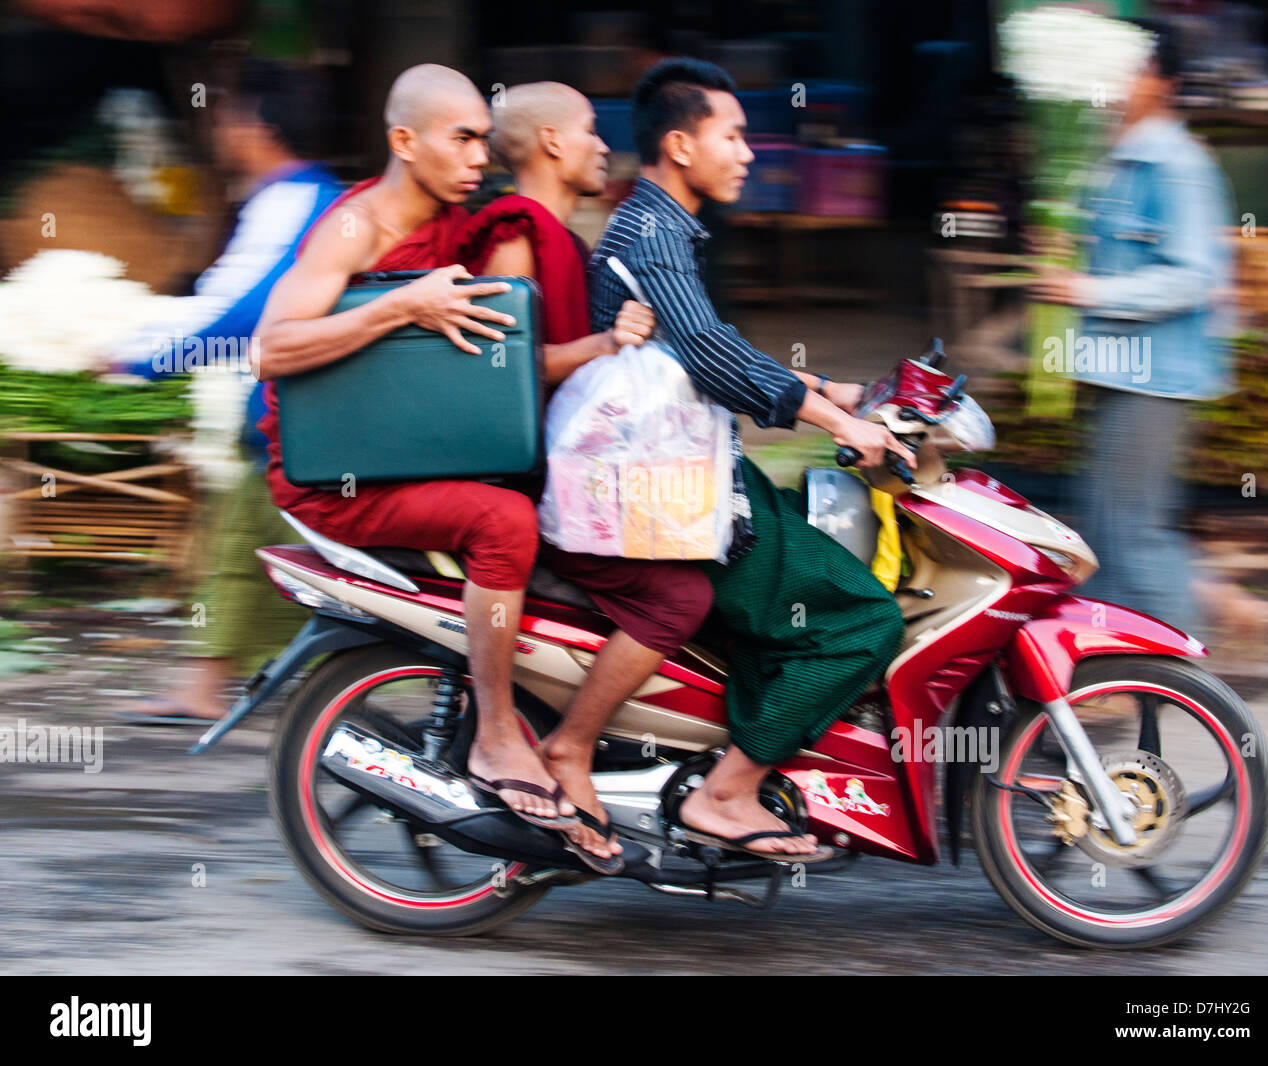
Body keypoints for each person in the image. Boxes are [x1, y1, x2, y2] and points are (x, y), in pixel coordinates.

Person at [587, 58, 910, 859]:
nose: (750, 152)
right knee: (868, 617)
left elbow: (702, 348)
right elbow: (707, 357)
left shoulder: (659, 226)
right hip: (671, 495)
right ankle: (726, 793)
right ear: (679, 144)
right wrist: (840, 420)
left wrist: (829, 387)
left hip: (689, 474)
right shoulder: (655, 230)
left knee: (824, 543)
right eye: (732, 135)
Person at [253, 64, 576, 834]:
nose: (478, 157)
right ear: (404, 140)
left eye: (484, 141)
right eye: (460, 138)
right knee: (503, 524)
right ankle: (496, 737)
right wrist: (401, 304)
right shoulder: (353, 226)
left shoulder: (465, 228)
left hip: (408, 452)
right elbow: (270, 348)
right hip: (337, 480)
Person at [443, 81, 714, 870]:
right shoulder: (519, 235)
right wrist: (606, 345)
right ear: (553, 143)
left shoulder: (561, 235)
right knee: (682, 597)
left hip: (572, 476)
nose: (606, 146)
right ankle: (573, 746)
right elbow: (502, 371)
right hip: (526, 491)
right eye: (592, 131)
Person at [110, 59, 344, 723]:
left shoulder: (290, 201)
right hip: (303, 411)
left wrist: (141, 361)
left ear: (260, 124)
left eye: (229, 112)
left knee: (251, 546)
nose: (221, 127)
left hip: (294, 411)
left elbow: (239, 313)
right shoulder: (306, 197)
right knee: (254, 546)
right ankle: (242, 680)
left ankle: (216, 686)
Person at [1030, 21, 1268, 644]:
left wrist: (1089, 290)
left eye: (1132, 67)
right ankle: (1189, 623)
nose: (1116, 79)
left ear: (1163, 81)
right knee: (1110, 525)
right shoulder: (1115, 156)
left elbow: (1194, 275)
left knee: (1131, 531)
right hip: (1116, 367)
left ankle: (1178, 669)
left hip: (1159, 377)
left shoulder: (1177, 165)